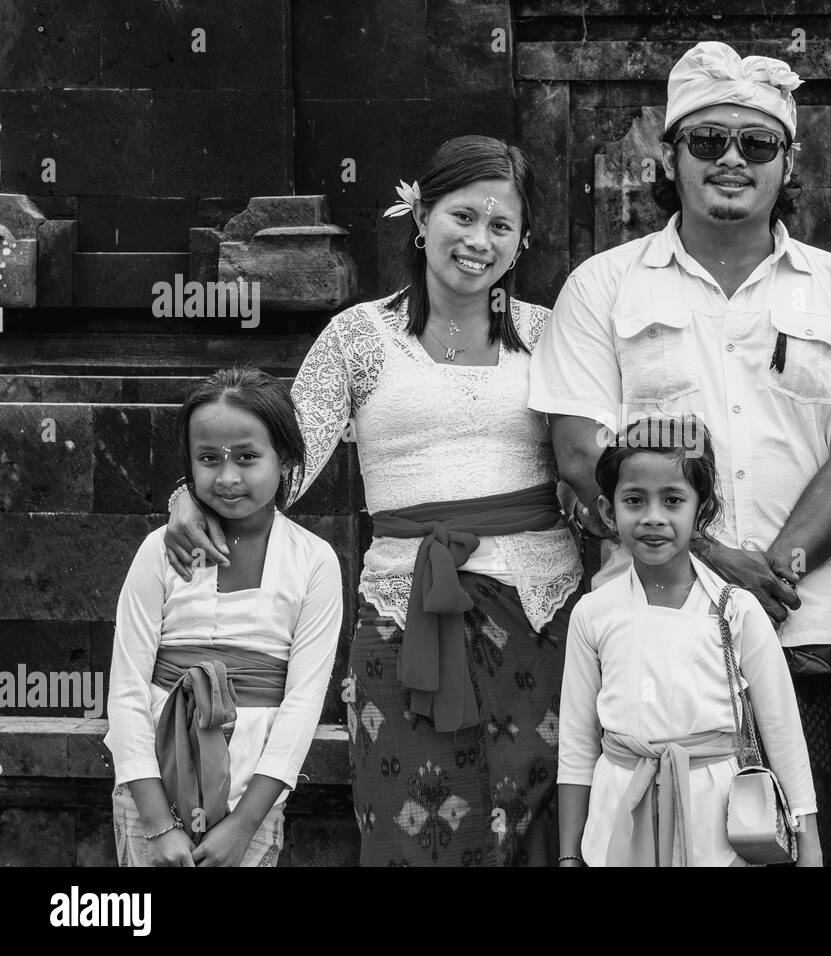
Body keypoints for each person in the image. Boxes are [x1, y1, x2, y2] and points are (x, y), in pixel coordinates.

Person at [529, 41, 831, 866]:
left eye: (757, 143)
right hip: (651, 630)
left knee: (815, 842)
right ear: (670, 154)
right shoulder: (604, 287)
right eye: (707, 140)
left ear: (785, 160)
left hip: (809, 629)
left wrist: (770, 571)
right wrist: (713, 563)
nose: (732, 160)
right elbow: (581, 451)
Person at [163, 136, 584, 866]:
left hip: (541, 621)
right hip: (402, 620)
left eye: (501, 226)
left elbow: (591, 469)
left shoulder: (554, 336)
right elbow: (282, 465)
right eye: (462, 216)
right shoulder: (357, 338)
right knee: (405, 830)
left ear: (522, 242)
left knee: (533, 829)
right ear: (420, 217)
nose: (478, 241)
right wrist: (193, 496)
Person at [557, 416, 821, 866]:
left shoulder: (735, 611)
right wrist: (568, 856)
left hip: (716, 831)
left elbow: (784, 736)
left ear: (702, 511)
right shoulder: (593, 613)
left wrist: (809, 849)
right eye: (634, 500)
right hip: (617, 825)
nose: (653, 517)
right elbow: (577, 745)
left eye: (673, 500)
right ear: (607, 511)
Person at [106, 366, 343, 867]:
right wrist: (158, 825)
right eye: (208, 459)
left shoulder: (314, 561)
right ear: (189, 466)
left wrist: (244, 824)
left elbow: (302, 705)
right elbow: (127, 691)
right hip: (150, 792)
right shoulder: (159, 552)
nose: (228, 477)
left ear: (286, 459)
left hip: (250, 798)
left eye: (248, 457)